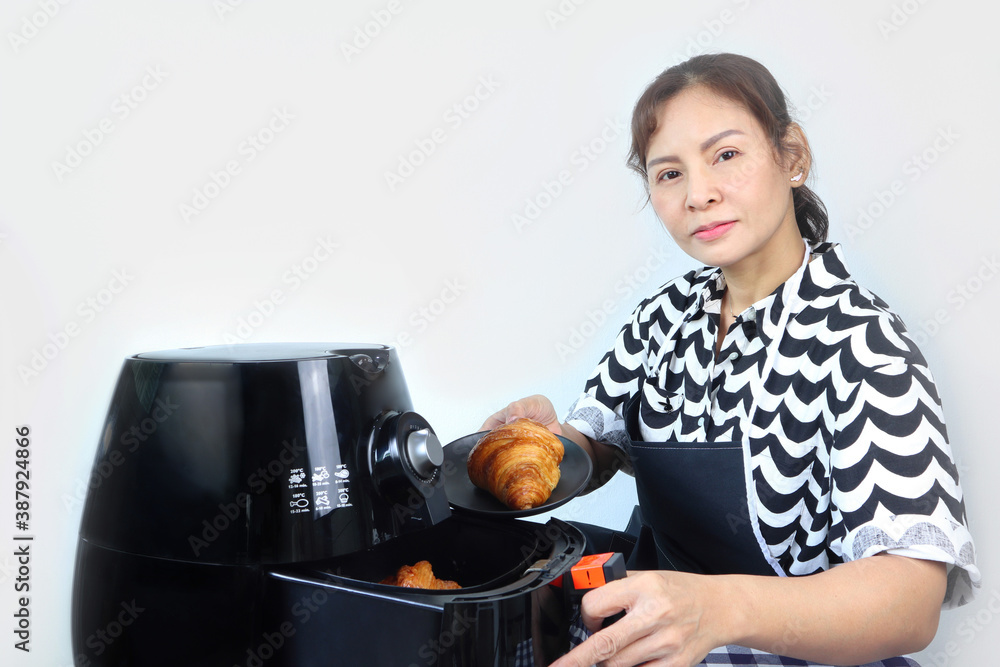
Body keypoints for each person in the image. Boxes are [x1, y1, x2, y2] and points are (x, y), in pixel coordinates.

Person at [481, 53, 979, 667]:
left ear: (791, 157)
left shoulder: (863, 344)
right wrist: (545, 443)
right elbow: (598, 446)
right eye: (668, 174)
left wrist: (715, 611)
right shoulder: (661, 317)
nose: (699, 194)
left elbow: (910, 601)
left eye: (725, 155)